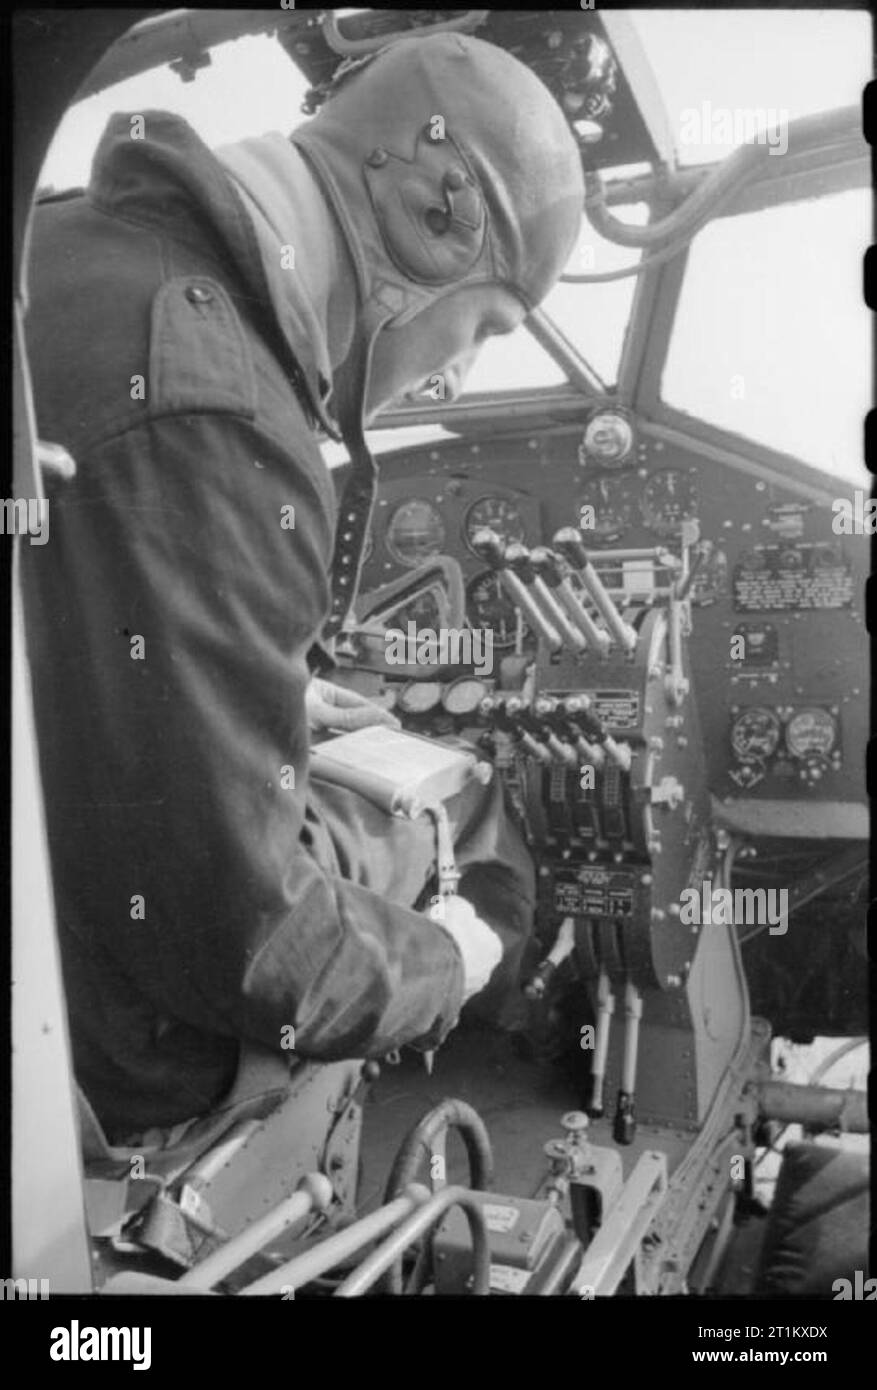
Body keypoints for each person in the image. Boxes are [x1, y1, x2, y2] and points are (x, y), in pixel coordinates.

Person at [22, 33, 585, 1140]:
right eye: (485, 324)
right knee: (448, 801)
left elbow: (66, 615)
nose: (460, 368)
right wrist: (458, 956)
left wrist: (263, 690)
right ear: (440, 219)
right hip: (102, 1051)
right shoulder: (221, 414)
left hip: (38, 886)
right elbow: (251, 950)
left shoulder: (56, 247)